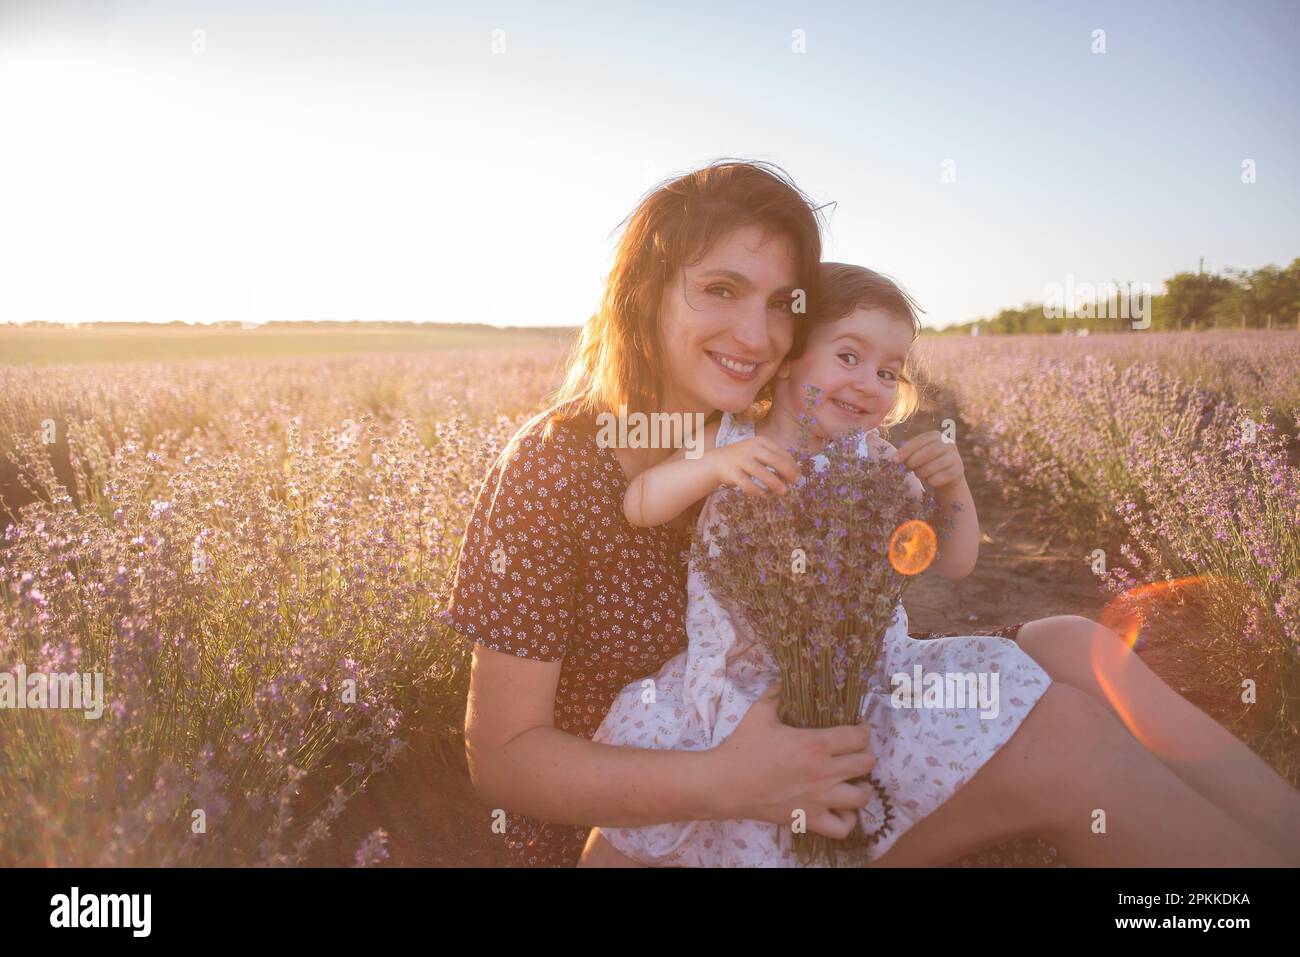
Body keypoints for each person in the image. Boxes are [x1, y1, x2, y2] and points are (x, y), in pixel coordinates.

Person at [444, 160, 1300, 869]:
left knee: (1075, 645)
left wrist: (939, 494)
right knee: (1071, 734)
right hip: (667, 799)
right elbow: (502, 759)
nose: (757, 331)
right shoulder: (558, 466)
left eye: (783, 304)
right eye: (719, 288)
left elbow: (905, 562)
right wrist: (734, 780)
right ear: (643, 294)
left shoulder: (774, 419)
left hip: (819, 708)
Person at [583, 262, 1057, 866]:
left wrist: (953, 489)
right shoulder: (729, 440)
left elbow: (957, 564)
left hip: (857, 683)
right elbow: (639, 504)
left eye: (889, 372)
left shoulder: (879, 467)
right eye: (849, 357)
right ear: (787, 358)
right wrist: (709, 468)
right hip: (735, 679)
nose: (869, 383)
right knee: (633, 834)